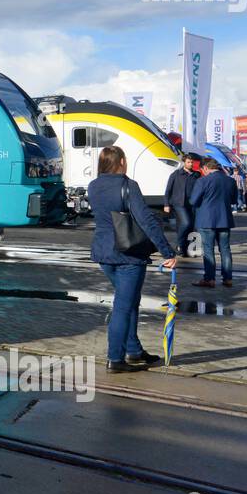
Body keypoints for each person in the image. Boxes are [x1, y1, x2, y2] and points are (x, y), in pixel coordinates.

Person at [88, 146, 176, 372]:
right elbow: (146, 220)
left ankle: (134, 351)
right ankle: (115, 359)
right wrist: (167, 252)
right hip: (128, 254)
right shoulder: (128, 185)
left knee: (129, 301)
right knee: (123, 307)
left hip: (104, 253)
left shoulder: (93, 186)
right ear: (121, 161)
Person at [190, 157, 240, 288]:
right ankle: (228, 278)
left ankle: (209, 279)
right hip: (224, 220)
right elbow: (234, 200)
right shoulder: (230, 181)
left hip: (206, 220)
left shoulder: (202, 181)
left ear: (205, 168)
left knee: (208, 250)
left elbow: (193, 201)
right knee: (225, 249)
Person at [163, 152, 202, 255]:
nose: (191, 164)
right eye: (188, 162)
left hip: (192, 204)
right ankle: (179, 244)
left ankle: (184, 249)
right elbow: (168, 190)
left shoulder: (196, 175)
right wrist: (166, 204)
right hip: (179, 203)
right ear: (184, 162)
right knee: (186, 223)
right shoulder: (176, 174)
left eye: (192, 162)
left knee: (190, 226)